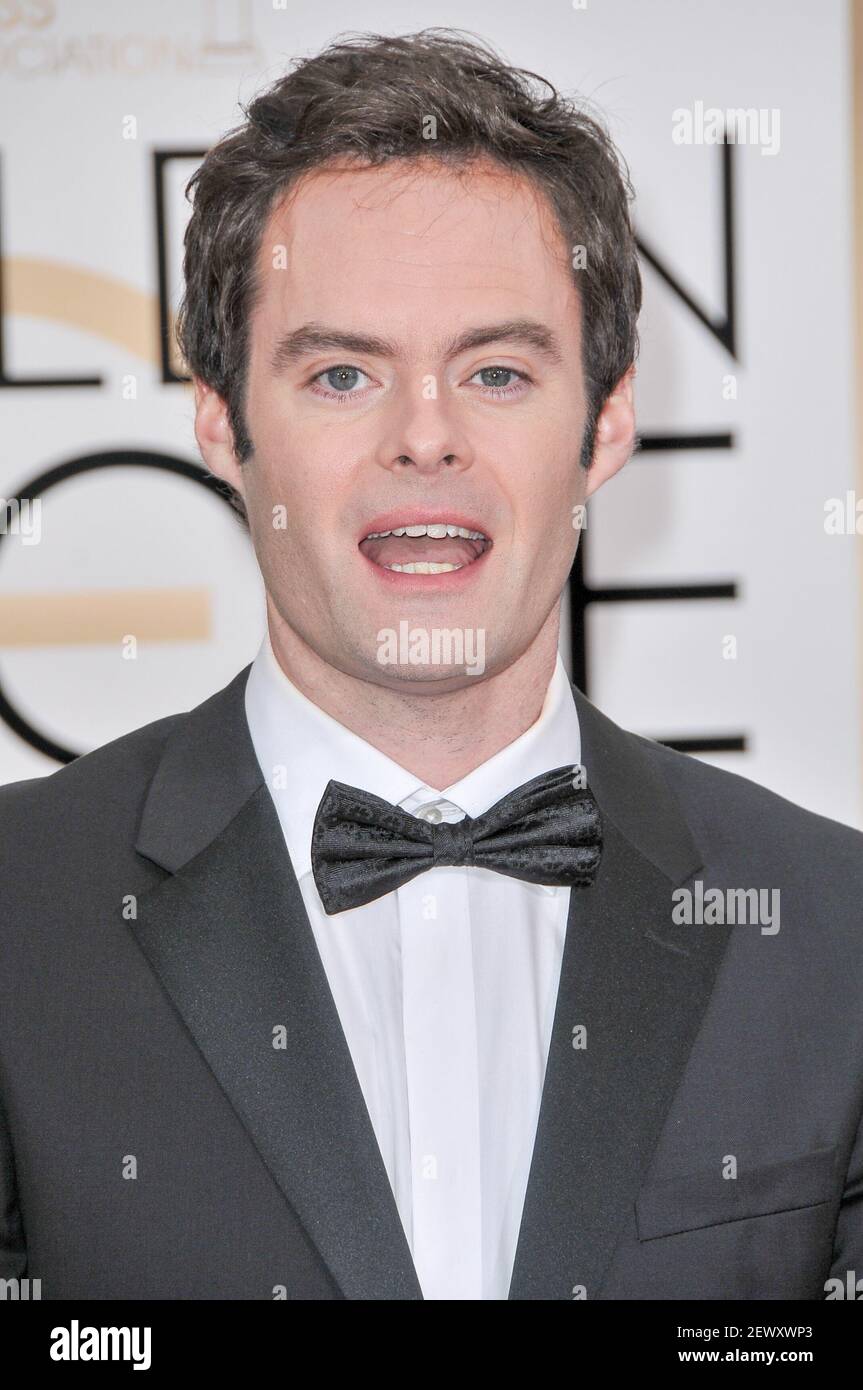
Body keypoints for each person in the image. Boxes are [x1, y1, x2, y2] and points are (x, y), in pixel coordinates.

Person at [1, 27, 861, 1302]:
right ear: (221, 421)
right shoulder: (19, 911)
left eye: (496, 371)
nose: (425, 437)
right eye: (343, 373)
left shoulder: (831, 927)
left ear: (606, 421)